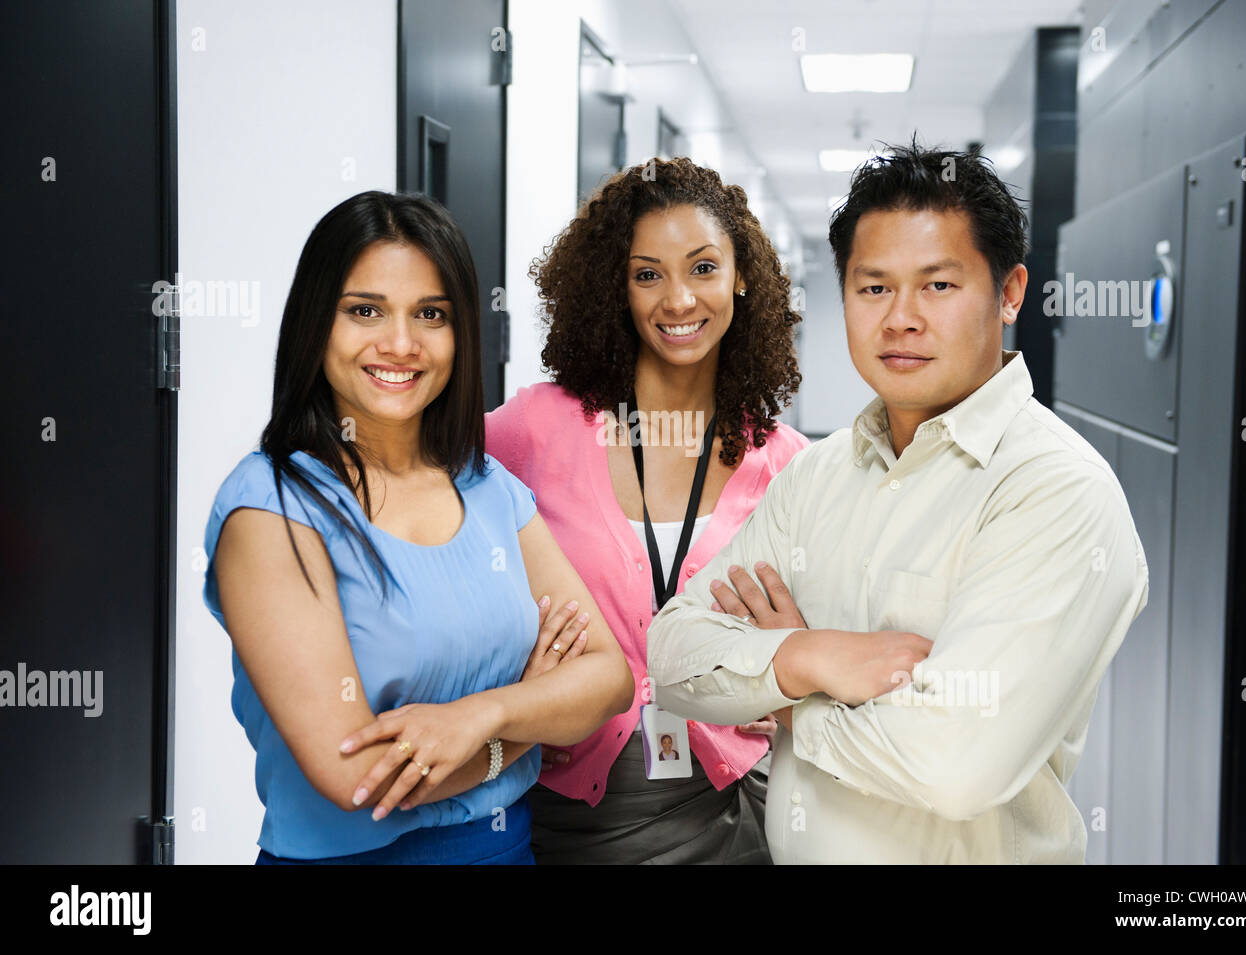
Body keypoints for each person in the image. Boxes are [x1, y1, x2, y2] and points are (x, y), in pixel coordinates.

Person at [647, 140, 1150, 864]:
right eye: (873, 287)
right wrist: (816, 653)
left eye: (939, 286)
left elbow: (955, 765)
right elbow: (673, 657)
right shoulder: (815, 475)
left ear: (1009, 293)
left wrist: (782, 692)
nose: (901, 318)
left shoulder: (1055, 490)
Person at [201, 190, 632, 865]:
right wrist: (527, 717)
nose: (400, 343)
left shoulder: (489, 490)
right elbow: (360, 778)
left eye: (430, 314)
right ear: (317, 322)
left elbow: (609, 679)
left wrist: (479, 717)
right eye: (364, 310)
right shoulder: (270, 509)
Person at [486, 157, 808, 864]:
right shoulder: (535, 430)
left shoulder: (787, 463)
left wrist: (787, 673)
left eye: (702, 267)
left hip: (732, 811)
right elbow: (429, 520)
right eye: (647, 274)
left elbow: (832, 644)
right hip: (568, 814)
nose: (678, 300)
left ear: (741, 275)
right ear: (617, 289)